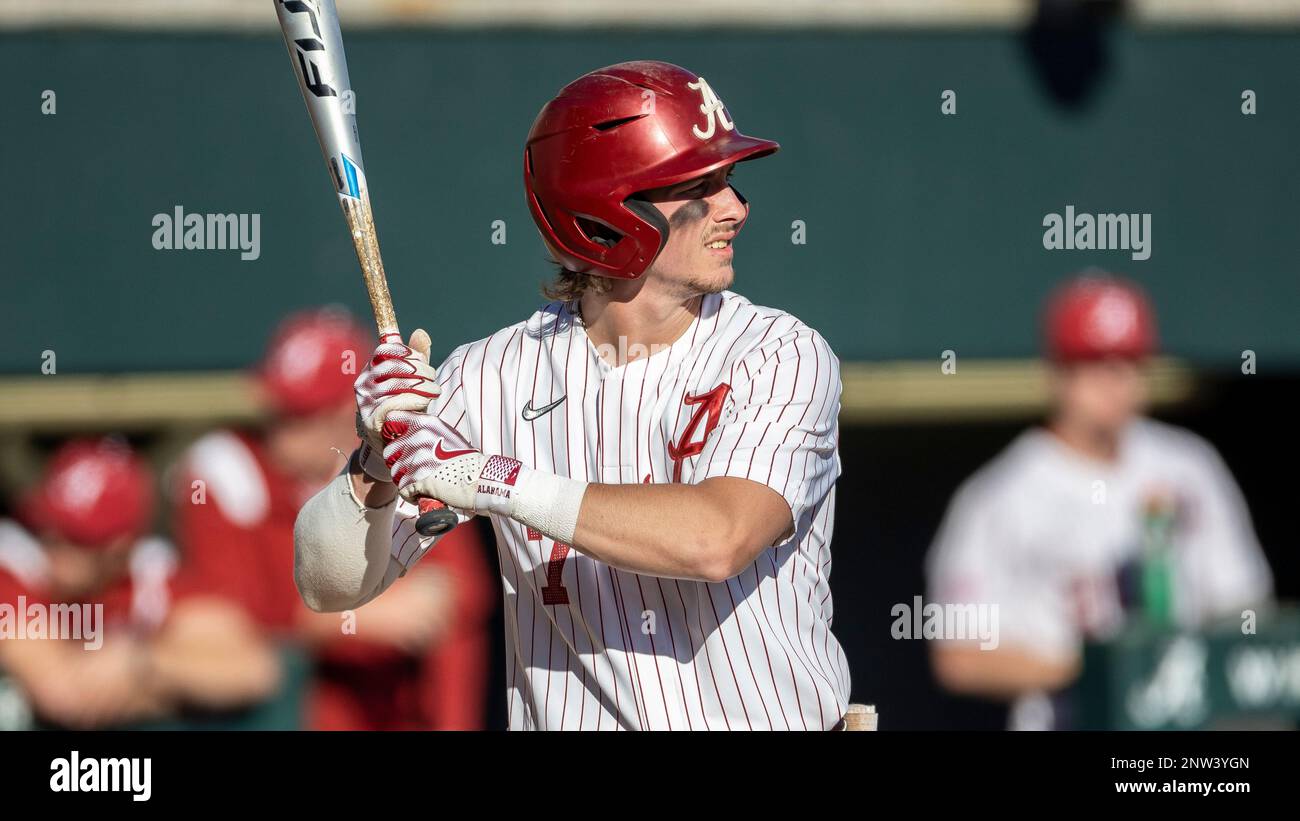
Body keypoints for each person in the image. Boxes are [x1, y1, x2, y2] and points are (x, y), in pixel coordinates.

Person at [295, 61, 850, 730]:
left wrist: (498, 480)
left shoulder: (781, 353)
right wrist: (376, 462)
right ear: (607, 212)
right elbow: (327, 585)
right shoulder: (490, 375)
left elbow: (718, 538)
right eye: (699, 186)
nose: (735, 207)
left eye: (729, 180)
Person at [925, 274, 1274, 730]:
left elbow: (1245, 609)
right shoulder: (999, 494)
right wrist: (1099, 668)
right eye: (1095, 363)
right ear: (1058, 373)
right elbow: (958, 656)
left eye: (1129, 362)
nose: (1116, 381)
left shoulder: (1191, 467)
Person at [174, 307, 493, 730]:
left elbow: (456, 599)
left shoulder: (406, 461)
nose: (280, 432)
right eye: (277, 411)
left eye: (301, 416)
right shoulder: (226, 472)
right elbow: (228, 626)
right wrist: (350, 618)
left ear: (350, 413)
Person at [0, 438, 278, 729]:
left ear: (118, 549)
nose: (53, 545)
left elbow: (254, 670)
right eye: (50, 527)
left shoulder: (147, 575)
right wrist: (173, 689)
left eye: (74, 539)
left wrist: (143, 663)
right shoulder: (14, 563)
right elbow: (63, 695)